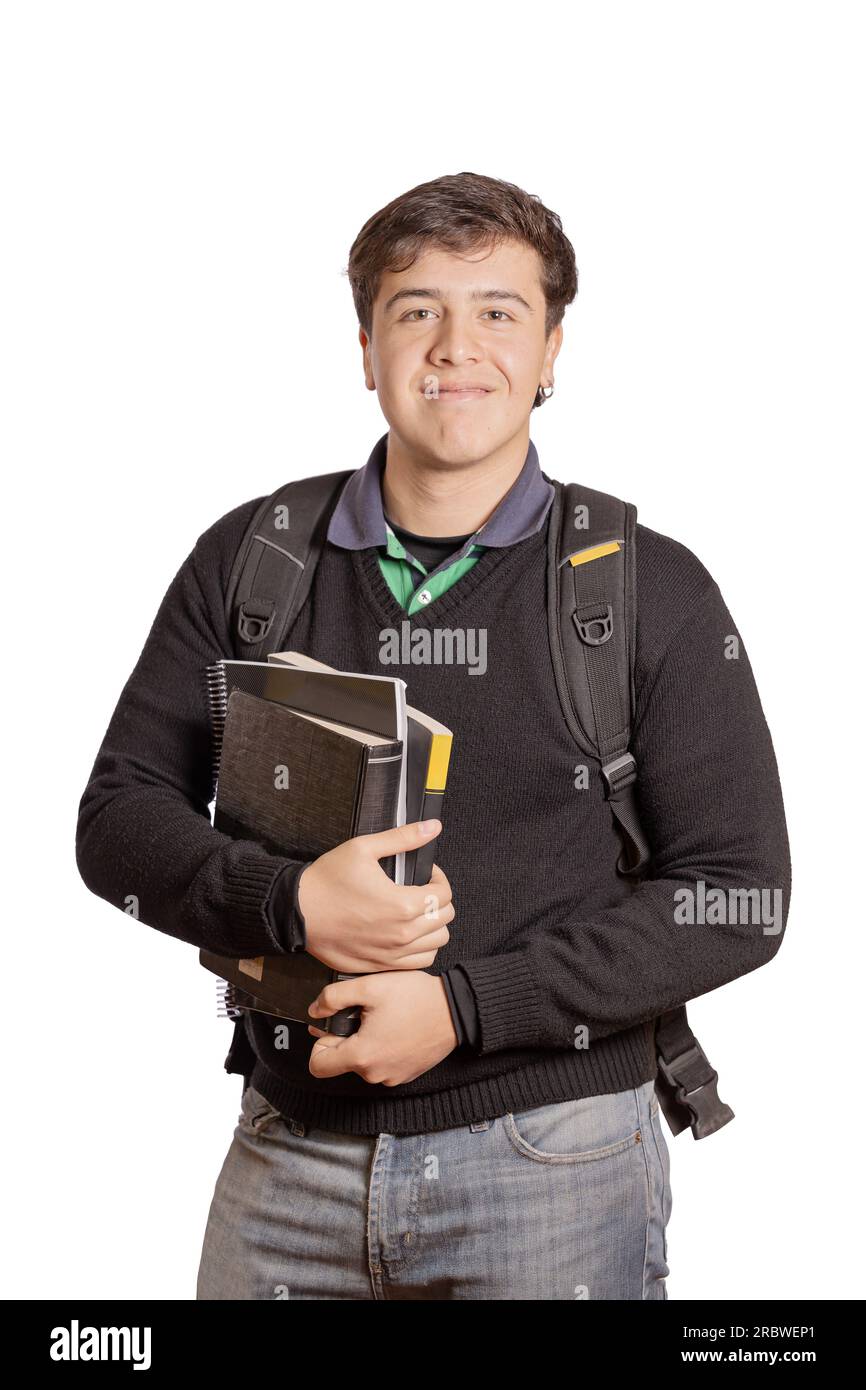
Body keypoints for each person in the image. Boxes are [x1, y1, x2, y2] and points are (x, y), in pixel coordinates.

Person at [76, 171, 790, 1301]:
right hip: (286, 1154)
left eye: (498, 311)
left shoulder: (646, 588)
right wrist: (291, 902)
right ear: (366, 347)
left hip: (553, 1161)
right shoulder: (254, 560)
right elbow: (117, 822)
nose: (457, 346)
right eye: (417, 310)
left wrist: (462, 1010)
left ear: (552, 349)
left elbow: (739, 895)